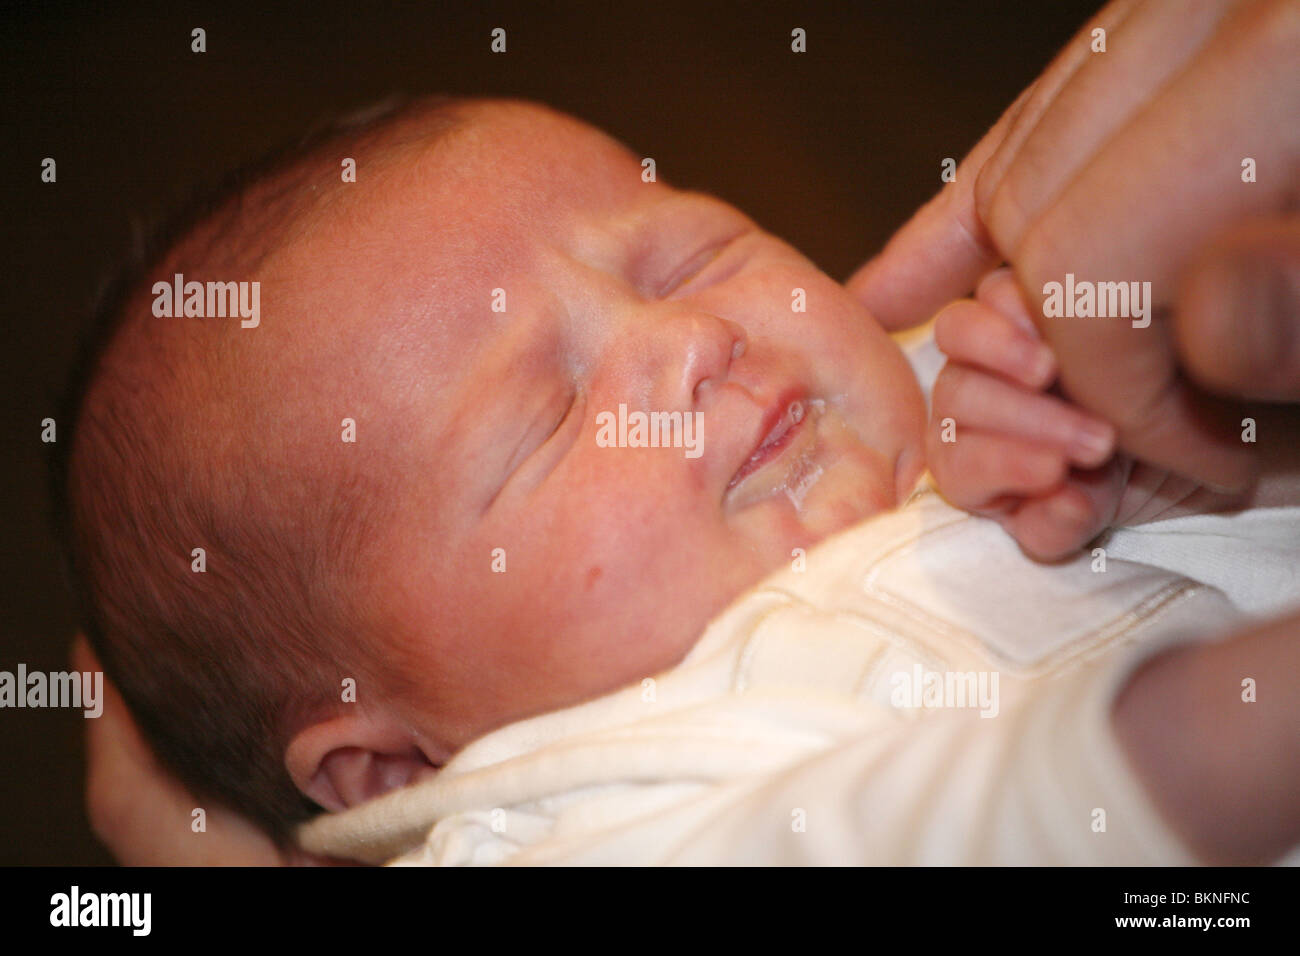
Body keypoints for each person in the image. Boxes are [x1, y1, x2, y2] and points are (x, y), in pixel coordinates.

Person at [60, 89, 1299, 865]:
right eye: (543, 418)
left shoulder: (957, 387)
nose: (691, 340)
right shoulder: (569, 815)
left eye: (690, 258)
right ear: (397, 769)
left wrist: (1169, 460)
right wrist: (1200, 733)